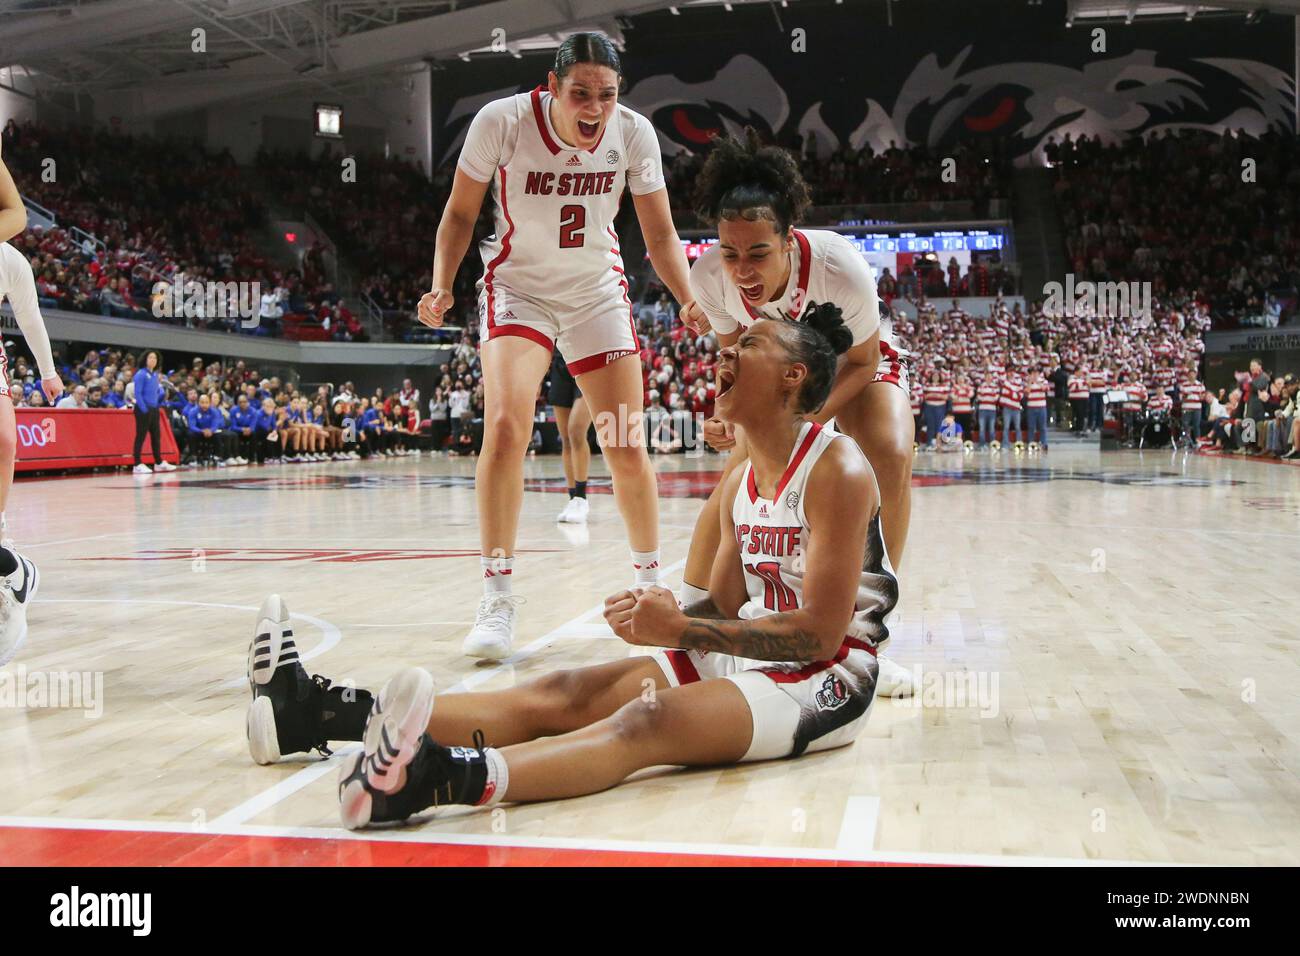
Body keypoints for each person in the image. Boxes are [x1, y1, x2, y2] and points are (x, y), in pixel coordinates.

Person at [243, 316, 898, 831]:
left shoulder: (836, 469)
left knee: (646, 724)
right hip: (760, 657)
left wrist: (682, 631)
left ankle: (434, 780)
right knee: (564, 692)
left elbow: (818, 637)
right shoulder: (740, 485)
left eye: (750, 344)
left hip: (832, 680)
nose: (725, 354)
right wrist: (664, 620)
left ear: (794, 376)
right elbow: (717, 616)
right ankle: (310, 710)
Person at [415, 33, 696, 660]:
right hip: (519, 289)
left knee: (625, 440)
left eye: (607, 94)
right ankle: (498, 596)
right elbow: (460, 214)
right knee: (508, 429)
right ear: (552, 87)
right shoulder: (502, 121)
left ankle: (651, 593)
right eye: (581, 94)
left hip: (596, 292)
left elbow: (660, 232)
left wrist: (688, 296)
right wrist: (441, 284)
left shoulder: (634, 134)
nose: (595, 106)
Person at [675, 130, 915, 697]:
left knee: (888, 451)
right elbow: (734, 358)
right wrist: (727, 416)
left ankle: (870, 631)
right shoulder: (708, 276)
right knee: (736, 474)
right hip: (779, 380)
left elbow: (861, 362)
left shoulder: (841, 266)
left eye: (758, 252)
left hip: (852, 364)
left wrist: (800, 422)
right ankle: (693, 621)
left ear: (788, 240)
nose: (742, 269)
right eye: (729, 252)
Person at [0, 235, 63, 665]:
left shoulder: (8, 259)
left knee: (4, 441)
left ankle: (4, 552)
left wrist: (48, 372)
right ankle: (10, 567)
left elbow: (29, 314)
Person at [548, 349, 593, 524]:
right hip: (560, 361)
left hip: (587, 357)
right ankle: (573, 498)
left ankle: (581, 498)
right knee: (566, 438)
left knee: (576, 431)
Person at [131, 350, 175, 474]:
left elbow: (156, 393)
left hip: (154, 409)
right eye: (150, 357)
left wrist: (159, 399)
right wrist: (144, 408)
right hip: (143, 409)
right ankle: (137, 463)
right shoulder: (141, 374)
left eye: (155, 358)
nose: (153, 360)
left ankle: (159, 462)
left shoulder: (155, 375)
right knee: (141, 436)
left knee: (156, 436)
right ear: (145, 359)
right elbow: (138, 393)